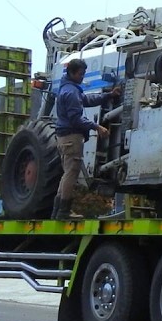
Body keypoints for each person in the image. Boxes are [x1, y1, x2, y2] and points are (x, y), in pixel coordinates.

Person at [52, 59, 119, 220]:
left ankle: (57, 210)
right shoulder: (71, 92)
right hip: (71, 137)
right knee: (71, 173)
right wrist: (97, 127)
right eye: (80, 74)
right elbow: (76, 119)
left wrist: (108, 95)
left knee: (67, 173)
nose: (82, 77)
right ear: (72, 73)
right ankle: (63, 211)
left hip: (63, 138)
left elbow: (87, 100)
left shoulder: (68, 88)